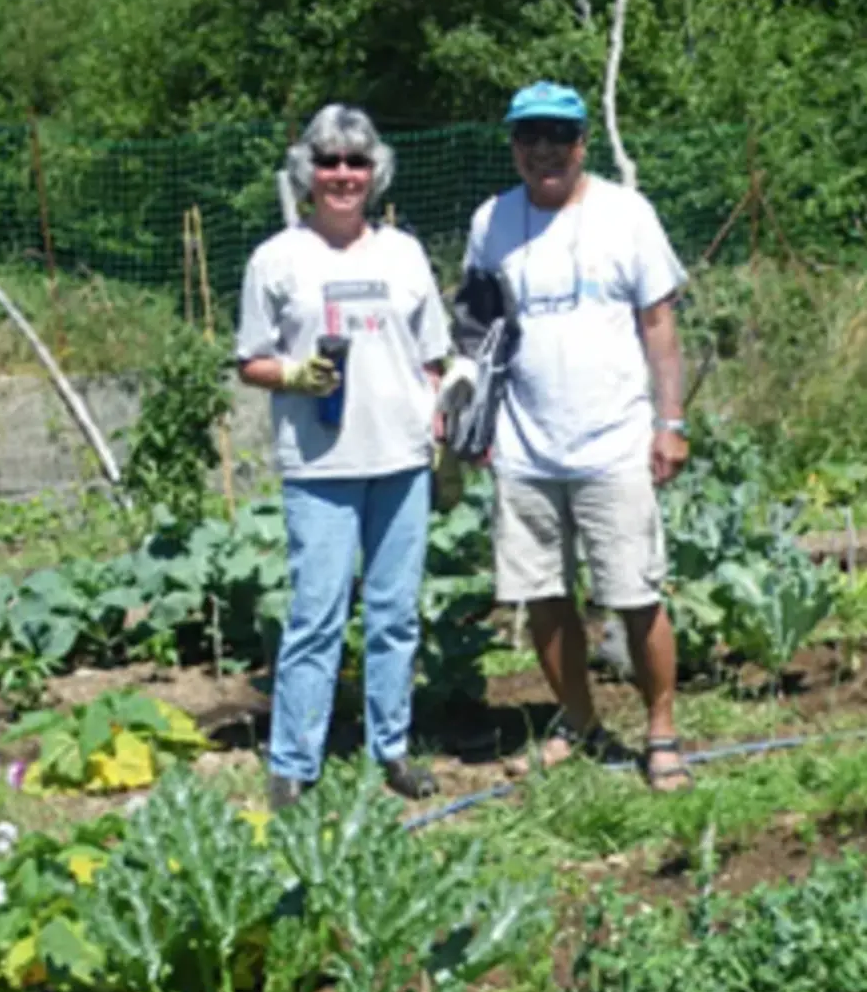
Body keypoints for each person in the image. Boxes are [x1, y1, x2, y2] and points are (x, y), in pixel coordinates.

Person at [449, 80, 693, 790]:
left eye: (558, 135)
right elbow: (478, 326)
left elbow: (659, 325)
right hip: (525, 448)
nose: (543, 149)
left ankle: (661, 733)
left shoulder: (626, 214)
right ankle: (580, 724)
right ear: (513, 146)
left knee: (635, 592)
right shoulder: (492, 220)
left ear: (582, 143)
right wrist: (471, 417)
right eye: (528, 136)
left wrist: (670, 423)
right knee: (544, 595)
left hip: (614, 441)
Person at [236, 103, 447, 809]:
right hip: (321, 463)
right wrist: (294, 375)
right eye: (329, 161)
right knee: (317, 616)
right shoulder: (277, 259)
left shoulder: (403, 254)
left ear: (375, 170)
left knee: (395, 614)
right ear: (308, 171)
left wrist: (437, 419)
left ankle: (393, 750)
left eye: (357, 161)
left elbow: (432, 356)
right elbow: (250, 360)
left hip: (400, 459)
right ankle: (294, 764)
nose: (343, 174)